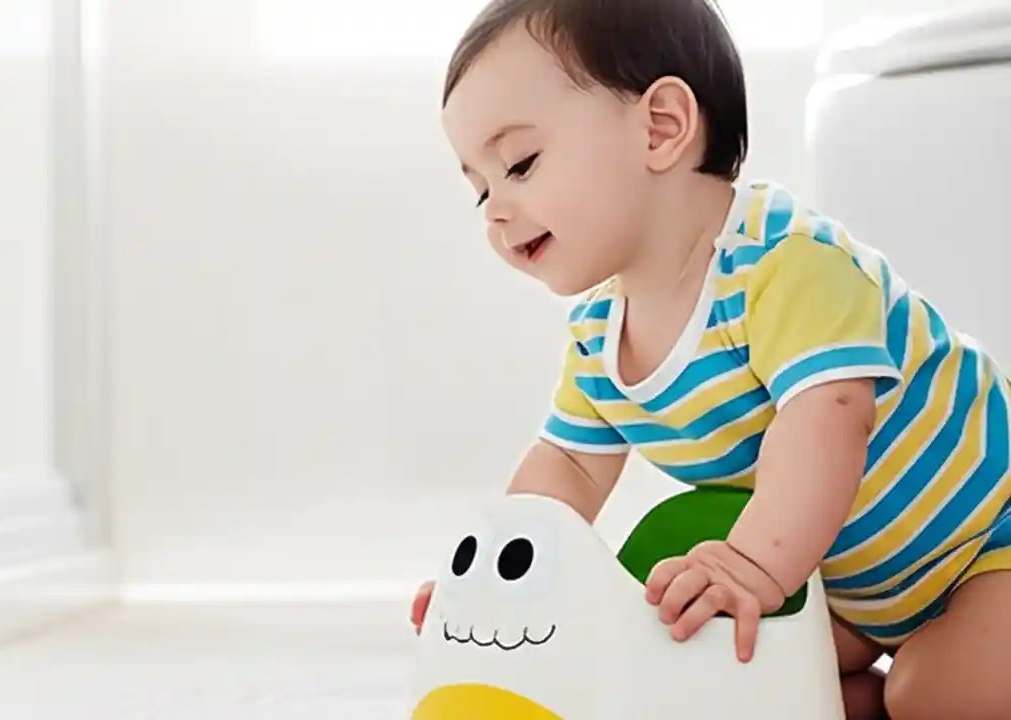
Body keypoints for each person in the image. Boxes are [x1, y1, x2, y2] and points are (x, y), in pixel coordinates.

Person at [409, 1, 1011, 718]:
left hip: (987, 549)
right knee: (724, 686)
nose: (495, 212)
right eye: (480, 187)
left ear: (661, 127)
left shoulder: (787, 264)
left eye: (520, 164)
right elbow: (566, 469)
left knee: (938, 694)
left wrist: (754, 564)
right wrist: (506, 575)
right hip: (860, 592)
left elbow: (830, 414)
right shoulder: (600, 335)